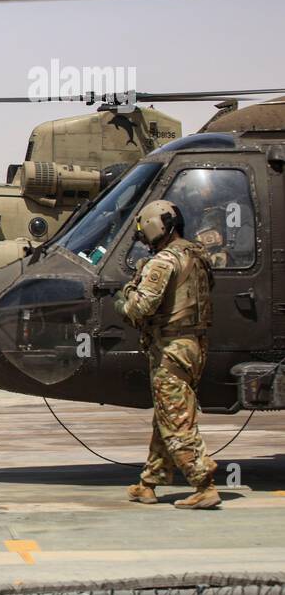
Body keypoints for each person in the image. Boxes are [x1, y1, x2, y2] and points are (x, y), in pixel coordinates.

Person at [114, 199, 219, 509]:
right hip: (194, 346)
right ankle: (149, 482)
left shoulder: (163, 262)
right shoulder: (197, 255)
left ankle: (204, 483)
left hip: (171, 349)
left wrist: (125, 297)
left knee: (175, 419)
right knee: (168, 412)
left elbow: (140, 309)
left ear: (154, 227)